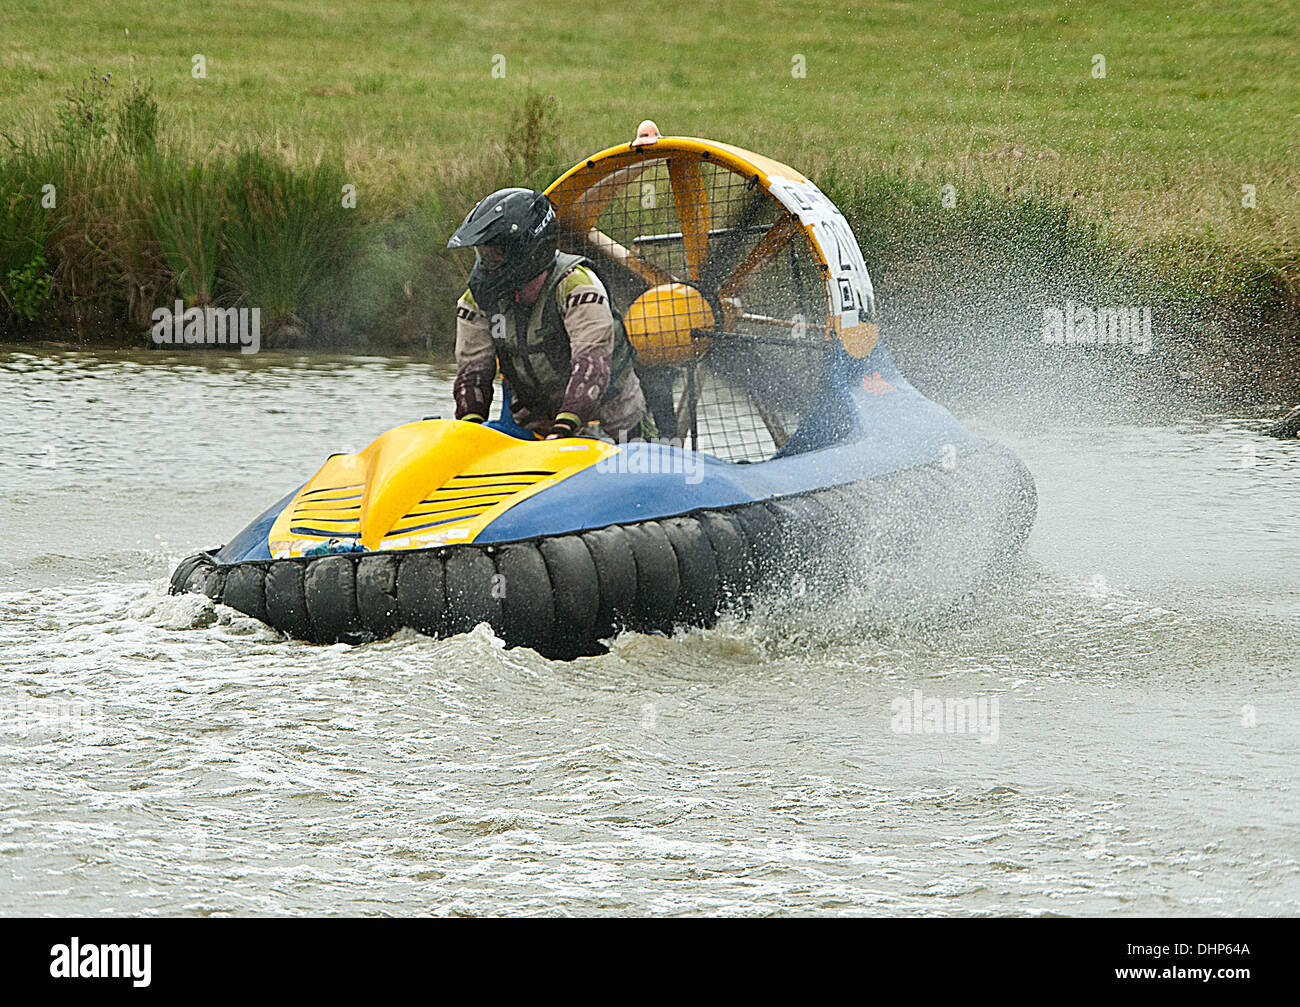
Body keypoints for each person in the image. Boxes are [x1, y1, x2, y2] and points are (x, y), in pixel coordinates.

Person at [446, 188, 654, 441]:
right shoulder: (477, 299)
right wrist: (469, 432)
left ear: (526, 250)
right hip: (535, 428)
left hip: (616, 428)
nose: (485, 265)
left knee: (628, 436)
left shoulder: (578, 286)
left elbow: (591, 366)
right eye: (483, 254)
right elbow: (472, 371)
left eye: (495, 253)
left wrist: (563, 430)